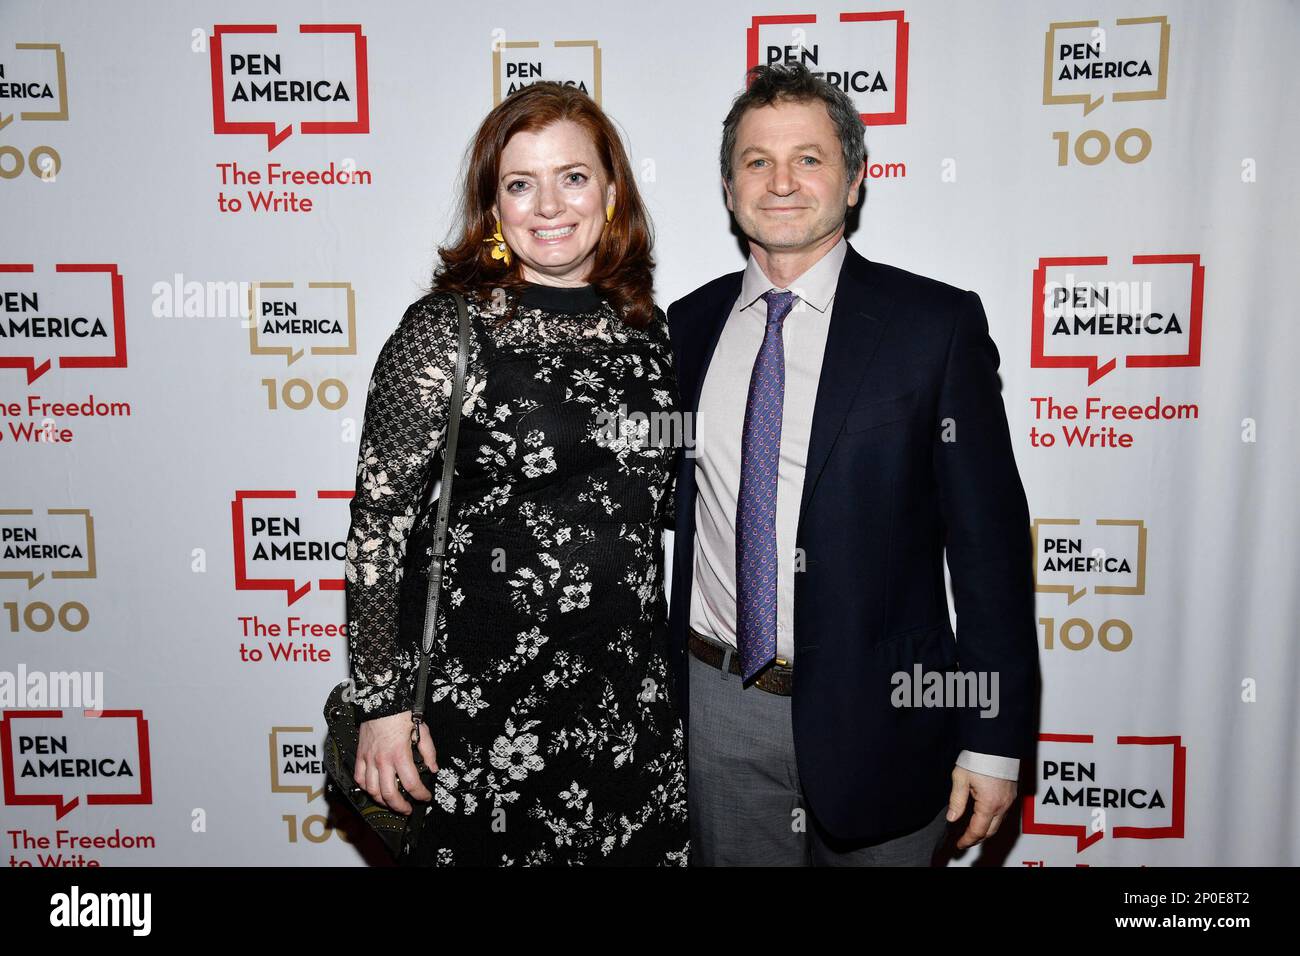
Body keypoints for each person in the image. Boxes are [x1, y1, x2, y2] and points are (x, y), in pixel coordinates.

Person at [665, 63, 1039, 866]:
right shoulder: (685, 329)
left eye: (809, 157)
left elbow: (991, 549)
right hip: (719, 708)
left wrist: (995, 741)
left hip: (889, 716)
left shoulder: (933, 326)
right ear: (730, 190)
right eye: (756, 161)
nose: (782, 182)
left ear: (856, 180)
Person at [343, 81, 688, 866]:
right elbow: (378, 527)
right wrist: (383, 703)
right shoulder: (446, 329)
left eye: (572, 176)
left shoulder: (645, 329)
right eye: (519, 183)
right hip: (484, 712)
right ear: (493, 206)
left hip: (629, 707)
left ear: (610, 192)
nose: (548, 205)